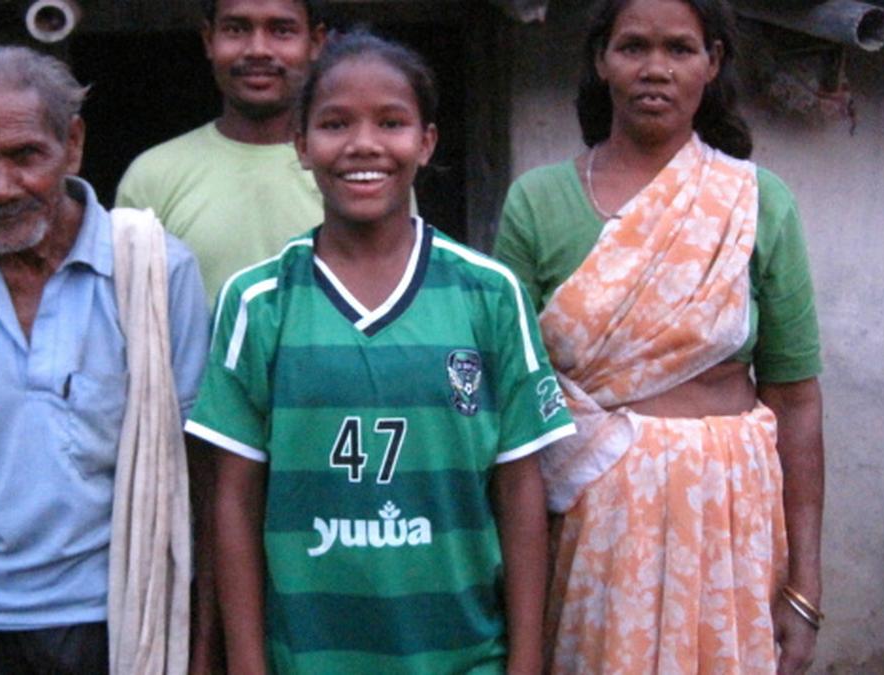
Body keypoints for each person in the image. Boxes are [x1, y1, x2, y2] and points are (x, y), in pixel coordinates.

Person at [183, 30, 576, 674]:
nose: (363, 145)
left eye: (391, 123)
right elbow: (234, 498)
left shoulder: (489, 293)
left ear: (426, 142)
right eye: (335, 124)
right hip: (305, 657)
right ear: (301, 145)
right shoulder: (258, 302)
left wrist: (526, 662)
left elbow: (520, 490)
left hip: (462, 653)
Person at [494, 0, 825, 672]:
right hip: (590, 522)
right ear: (601, 61)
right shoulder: (537, 202)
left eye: (679, 49)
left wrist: (804, 586)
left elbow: (796, 399)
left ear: (713, 63)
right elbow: (511, 407)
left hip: (726, 518)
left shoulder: (755, 202)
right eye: (633, 47)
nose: (655, 68)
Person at [0, 46, 209, 674]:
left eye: (25, 156)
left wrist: (201, 654)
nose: (0, 187)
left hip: (126, 617)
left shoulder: (152, 272)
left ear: (71, 145)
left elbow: (199, 481)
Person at [115, 0, 328, 306]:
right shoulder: (152, 175)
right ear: (208, 39)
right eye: (236, 29)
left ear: (316, 42)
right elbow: (131, 319)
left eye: (281, 30)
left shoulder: (356, 172)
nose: (258, 49)